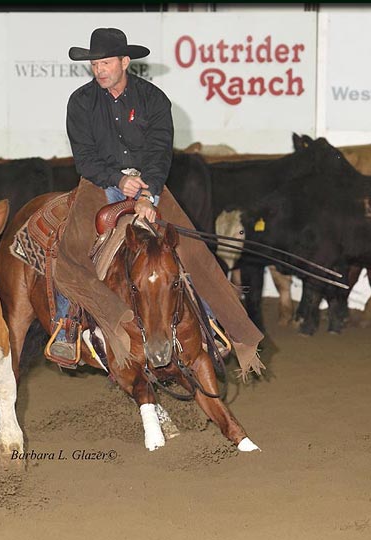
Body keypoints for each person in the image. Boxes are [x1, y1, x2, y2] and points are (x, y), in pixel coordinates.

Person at [48, 28, 264, 377]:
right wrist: (119, 179)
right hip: (100, 182)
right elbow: (84, 158)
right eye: (94, 64)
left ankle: (221, 326)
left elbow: (160, 152)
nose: (99, 70)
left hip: (150, 182)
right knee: (71, 250)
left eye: (105, 63)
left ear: (124, 62)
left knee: (192, 248)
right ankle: (67, 326)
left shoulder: (153, 99)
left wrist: (148, 193)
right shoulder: (81, 102)